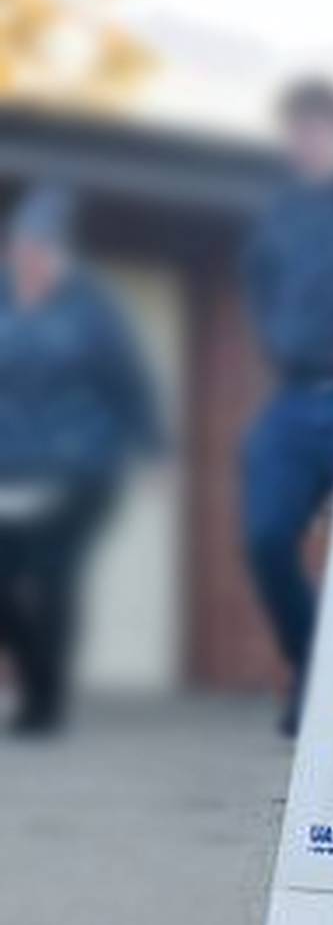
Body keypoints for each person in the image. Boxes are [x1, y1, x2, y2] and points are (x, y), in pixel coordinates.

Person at [243, 79, 333, 733]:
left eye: (314, 129)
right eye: (293, 132)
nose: (303, 143)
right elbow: (259, 280)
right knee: (266, 535)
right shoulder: (285, 214)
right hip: (297, 399)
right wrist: (281, 334)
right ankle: (314, 666)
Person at [0, 185, 161, 734]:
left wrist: (152, 449)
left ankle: (44, 706)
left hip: (83, 468)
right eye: (22, 250)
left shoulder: (91, 308)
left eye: (42, 251)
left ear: (60, 254)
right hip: (13, 468)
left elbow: (129, 382)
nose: (31, 262)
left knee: (53, 578)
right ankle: (37, 685)